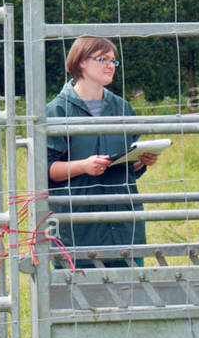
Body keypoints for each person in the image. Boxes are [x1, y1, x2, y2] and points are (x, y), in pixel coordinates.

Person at [46, 37, 160, 267]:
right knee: (78, 299)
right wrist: (83, 166)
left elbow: (129, 166)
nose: (110, 65)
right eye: (102, 59)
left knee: (130, 294)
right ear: (81, 63)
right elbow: (46, 171)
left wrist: (140, 161)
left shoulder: (122, 107)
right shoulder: (55, 111)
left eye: (113, 61)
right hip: (77, 230)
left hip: (125, 227)